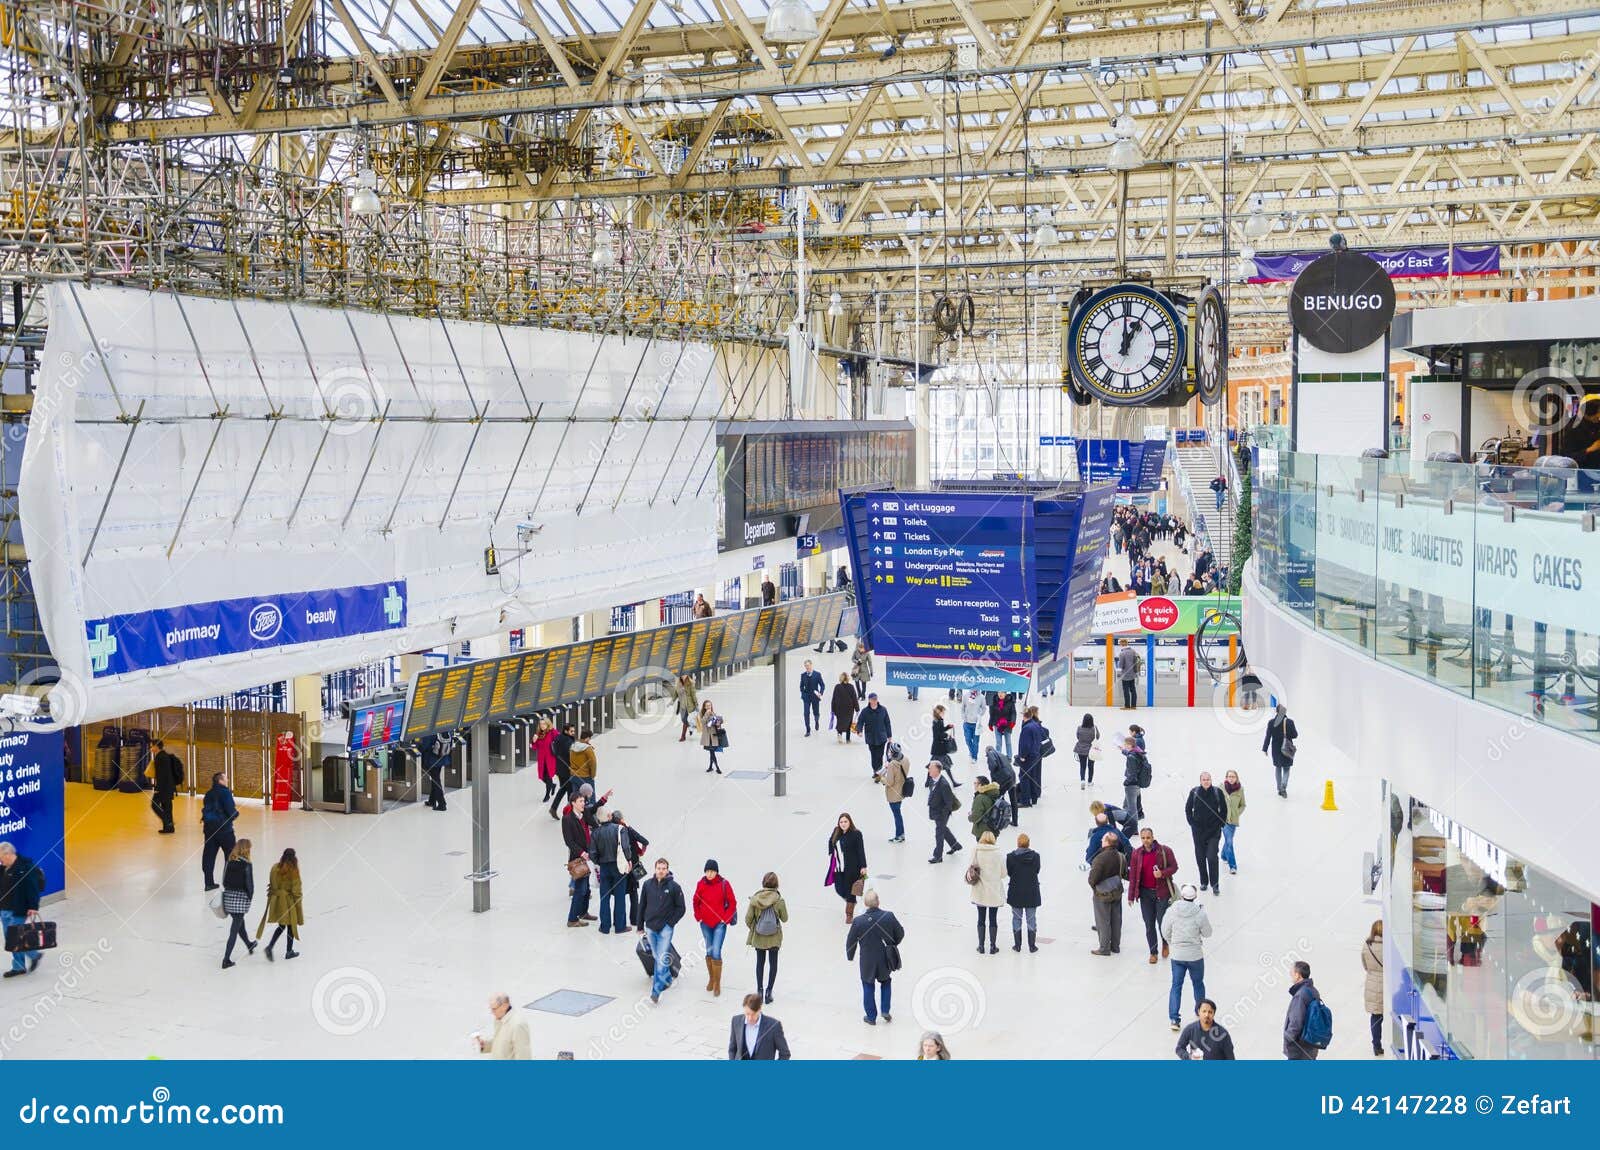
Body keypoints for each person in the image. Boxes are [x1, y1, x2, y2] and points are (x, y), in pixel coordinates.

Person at [844, 889, 905, 1026]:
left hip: (867, 960)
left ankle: (871, 1017)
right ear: (878, 901)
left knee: (868, 985)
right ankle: (885, 1009)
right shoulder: (889, 916)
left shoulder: (859, 921)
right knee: (886, 982)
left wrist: (850, 955)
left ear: (865, 903)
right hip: (885, 957)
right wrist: (893, 943)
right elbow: (900, 933)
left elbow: (851, 940)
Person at [1161, 883, 1214, 1030]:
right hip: (1195, 956)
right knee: (1198, 984)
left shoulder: (1172, 911)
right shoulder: (1199, 913)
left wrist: (1173, 943)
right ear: (1194, 897)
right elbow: (1208, 933)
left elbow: (1165, 931)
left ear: (1182, 896)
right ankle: (1202, 1015)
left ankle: (1174, 1019)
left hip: (1177, 955)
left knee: (1176, 986)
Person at [635, 858, 687, 1004]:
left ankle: (656, 991)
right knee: (658, 957)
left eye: (664, 868)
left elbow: (681, 908)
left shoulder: (674, 887)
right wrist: (640, 927)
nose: (661, 871)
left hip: (665, 929)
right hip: (650, 928)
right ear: (655, 869)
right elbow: (642, 906)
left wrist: (670, 923)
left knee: (661, 959)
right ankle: (668, 978)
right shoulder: (647, 885)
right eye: (659, 868)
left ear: (667, 870)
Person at [1128, 826, 1179, 964]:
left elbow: (1174, 867)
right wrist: (1131, 895)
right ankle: (1153, 952)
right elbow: (1133, 875)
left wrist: (1162, 873)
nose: (1146, 840)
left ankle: (1165, 943)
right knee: (1149, 924)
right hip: (1145, 894)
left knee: (1162, 922)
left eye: (1148, 837)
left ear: (1153, 837)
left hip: (1162, 893)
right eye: (1143, 838)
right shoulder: (1137, 854)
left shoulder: (1165, 851)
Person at [591, 809, 646, 935]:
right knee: (620, 896)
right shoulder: (620, 829)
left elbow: (592, 853)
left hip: (604, 867)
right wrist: (628, 860)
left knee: (604, 897)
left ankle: (604, 926)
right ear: (609, 816)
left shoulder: (596, 832)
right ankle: (620, 926)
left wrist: (600, 862)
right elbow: (626, 847)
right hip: (619, 867)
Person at [693, 860, 738, 998]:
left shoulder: (724, 884)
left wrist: (725, 918)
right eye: (707, 871)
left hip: (719, 923)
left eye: (712, 871)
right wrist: (698, 916)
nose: (709, 874)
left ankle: (717, 983)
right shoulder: (701, 884)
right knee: (709, 950)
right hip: (705, 923)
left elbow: (732, 902)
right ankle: (711, 979)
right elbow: (695, 901)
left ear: (716, 871)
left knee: (716, 951)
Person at [0, 842, 43, 978]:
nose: (0, 860)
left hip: (18, 909)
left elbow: (33, 888)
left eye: (1, 857)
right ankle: (19, 967)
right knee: (10, 939)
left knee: (14, 938)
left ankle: (34, 955)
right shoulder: (3, 868)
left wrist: (33, 907)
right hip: (4, 909)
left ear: (8, 854)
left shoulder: (25, 867)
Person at [1184, 771, 1229, 896]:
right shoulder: (1194, 792)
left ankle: (1215, 884)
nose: (1206, 781)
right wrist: (1191, 823)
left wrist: (1221, 824)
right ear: (1200, 781)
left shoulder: (1217, 792)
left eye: (1208, 779)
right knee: (1200, 857)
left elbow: (1224, 810)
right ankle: (1204, 881)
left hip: (1214, 831)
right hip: (1198, 831)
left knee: (1212, 856)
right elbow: (1188, 809)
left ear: (1211, 780)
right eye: (1204, 779)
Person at [745, 871, 787, 1004]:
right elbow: (785, 918)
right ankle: (769, 992)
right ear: (777, 885)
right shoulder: (779, 900)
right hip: (774, 938)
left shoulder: (755, 899)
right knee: (773, 963)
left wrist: (756, 926)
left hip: (759, 937)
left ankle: (759, 990)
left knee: (760, 963)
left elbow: (747, 919)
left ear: (763, 883)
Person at [1087, 831, 1127, 956]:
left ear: (1108, 842)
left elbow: (1093, 879)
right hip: (1117, 891)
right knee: (1116, 919)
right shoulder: (1121, 856)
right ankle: (1116, 946)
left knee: (1103, 921)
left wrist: (1094, 887)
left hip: (1102, 894)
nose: (1101, 840)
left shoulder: (1099, 858)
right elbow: (1124, 873)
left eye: (1103, 839)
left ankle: (1104, 948)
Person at [259, 847, 303, 961]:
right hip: (288, 902)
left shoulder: (274, 868)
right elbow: (296, 891)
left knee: (282, 925)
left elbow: (272, 884)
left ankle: (270, 946)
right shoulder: (293, 871)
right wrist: (298, 904)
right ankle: (288, 951)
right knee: (291, 926)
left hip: (278, 901)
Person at [220, 839, 256, 969]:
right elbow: (250, 885)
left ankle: (249, 945)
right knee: (234, 930)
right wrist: (249, 898)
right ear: (246, 849)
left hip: (228, 899)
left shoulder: (229, 862)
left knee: (239, 923)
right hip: (240, 899)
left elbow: (224, 881)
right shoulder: (247, 865)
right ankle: (226, 959)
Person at [201, 772, 238, 892]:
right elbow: (230, 810)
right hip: (224, 830)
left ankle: (208, 883)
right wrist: (236, 814)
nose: (228, 779)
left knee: (209, 856)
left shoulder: (208, 793)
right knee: (230, 855)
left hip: (209, 829)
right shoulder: (225, 793)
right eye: (226, 777)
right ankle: (229, 883)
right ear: (220, 781)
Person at [969, 829, 1005, 955]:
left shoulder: (976, 850)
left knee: (981, 918)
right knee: (993, 919)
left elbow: (971, 867)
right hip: (994, 891)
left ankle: (981, 946)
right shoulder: (998, 853)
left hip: (980, 890)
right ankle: (993, 946)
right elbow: (1003, 873)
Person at [828, 813, 868, 923]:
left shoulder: (856, 834)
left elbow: (861, 850)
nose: (843, 824)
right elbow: (830, 842)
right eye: (841, 822)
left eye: (845, 821)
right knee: (839, 888)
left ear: (850, 822)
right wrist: (832, 853)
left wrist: (863, 866)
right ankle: (851, 901)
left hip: (852, 867)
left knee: (850, 891)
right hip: (838, 867)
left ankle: (849, 914)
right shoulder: (837, 832)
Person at [1006, 832, 1042, 954]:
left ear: (1018, 843)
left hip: (1016, 892)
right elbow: (1037, 870)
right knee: (1031, 918)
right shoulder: (1036, 856)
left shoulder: (1010, 857)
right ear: (1028, 844)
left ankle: (1017, 945)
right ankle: (1032, 945)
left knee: (1016, 918)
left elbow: (1009, 872)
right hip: (1031, 892)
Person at [562, 791, 594, 927]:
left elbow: (595, 825)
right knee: (580, 889)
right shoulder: (567, 819)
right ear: (573, 803)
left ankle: (583, 912)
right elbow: (569, 841)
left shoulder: (585, 814)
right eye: (580, 801)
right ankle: (572, 919)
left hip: (588, 856)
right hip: (578, 859)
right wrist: (582, 853)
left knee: (586, 889)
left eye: (583, 801)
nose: (583, 803)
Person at [729, 992, 790, 1059]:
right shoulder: (736, 1021)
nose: (750, 1018)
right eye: (747, 1014)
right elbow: (732, 1048)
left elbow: (785, 1053)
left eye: (753, 1014)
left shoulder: (774, 1026)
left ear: (759, 1009)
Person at [1284, 960, 1325, 1060]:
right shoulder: (1313, 990)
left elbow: (1296, 1022)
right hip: (1311, 1044)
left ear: (1298, 975)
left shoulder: (1300, 995)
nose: (1290, 974)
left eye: (1292, 972)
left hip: (1299, 1047)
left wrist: (1288, 1037)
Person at [925, 760, 963, 864]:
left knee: (939, 834)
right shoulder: (932, 780)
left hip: (942, 813)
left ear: (937, 770)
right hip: (936, 811)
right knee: (943, 830)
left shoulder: (944, 784)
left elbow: (949, 803)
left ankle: (938, 856)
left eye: (931, 768)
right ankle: (955, 845)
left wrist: (943, 814)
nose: (928, 770)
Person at [476, 993, 532, 1060]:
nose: (492, 1012)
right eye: (491, 1009)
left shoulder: (518, 1025)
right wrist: (485, 1045)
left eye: (494, 1009)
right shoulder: (500, 1020)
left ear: (505, 1006)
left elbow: (524, 1056)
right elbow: (503, 1043)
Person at [1014, 705, 1047, 810]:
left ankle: (1025, 801)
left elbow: (1025, 745)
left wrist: (1022, 756)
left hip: (1028, 757)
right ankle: (1034, 798)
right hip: (1036, 755)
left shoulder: (1027, 728)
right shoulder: (1036, 725)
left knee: (1024, 778)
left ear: (1024, 716)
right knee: (1032, 777)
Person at [1263, 704, 1299, 797]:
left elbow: (1268, 736)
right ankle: (1283, 787)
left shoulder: (1271, 722)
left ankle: (1279, 788)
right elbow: (1295, 735)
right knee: (1286, 768)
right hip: (1287, 748)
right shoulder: (1290, 722)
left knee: (1278, 767)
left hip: (1275, 749)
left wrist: (1265, 748)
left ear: (1277, 711)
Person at [1362, 920, 1386, 1056]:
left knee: (1375, 1017)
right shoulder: (1388, 946)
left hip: (1372, 984)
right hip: (1387, 983)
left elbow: (1365, 965)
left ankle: (1377, 1046)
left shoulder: (1367, 945)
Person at [150, 737, 183, 833]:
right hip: (169, 786)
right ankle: (169, 828)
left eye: (152, 746)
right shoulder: (165, 756)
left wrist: (157, 788)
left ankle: (168, 822)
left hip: (163, 787)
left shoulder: (160, 758)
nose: (150, 749)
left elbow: (162, 775)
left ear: (156, 746)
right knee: (167, 807)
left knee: (154, 805)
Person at [856, 692, 892, 778]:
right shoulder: (865, 711)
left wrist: (889, 736)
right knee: (873, 755)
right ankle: (875, 770)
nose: (874, 701)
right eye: (872, 699)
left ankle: (878, 772)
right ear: (869, 700)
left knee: (880, 755)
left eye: (875, 699)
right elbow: (860, 721)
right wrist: (859, 730)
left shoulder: (883, 710)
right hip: (871, 737)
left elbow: (887, 723)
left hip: (881, 737)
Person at [880, 741, 909, 843]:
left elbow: (889, 782)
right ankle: (901, 834)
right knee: (898, 813)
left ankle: (899, 835)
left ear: (892, 752)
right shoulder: (905, 759)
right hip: (901, 791)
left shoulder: (892, 764)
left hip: (893, 794)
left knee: (897, 815)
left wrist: (882, 778)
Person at [547, 722, 576, 819]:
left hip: (559, 769)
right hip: (567, 769)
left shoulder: (558, 738)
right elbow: (571, 755)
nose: (573, 733)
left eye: (573, 731)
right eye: (571, 731)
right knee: (570, 790)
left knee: (563, 788)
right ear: (566, 731)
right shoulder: (568, 741)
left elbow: (553, 751)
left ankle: (553, 808)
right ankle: (570, 814)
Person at [1120, 735, 1148, 833]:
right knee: (1126, 806)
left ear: (1129, 745)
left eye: (1125, 744)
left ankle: (1134, 828)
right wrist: (1123, 750)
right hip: (1137, 784)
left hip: (1131, 784)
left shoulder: (1132, 757)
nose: (1124, 745)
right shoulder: (1138, 752)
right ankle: (1129, 825)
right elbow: (1130, 754)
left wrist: (1126, 782)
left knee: (1132, 808)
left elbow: (1132, 773)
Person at [1221, 769, 1245, 876]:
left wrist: (1236, 813)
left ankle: (1223, 855)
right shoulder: (1220, 788)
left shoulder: (1240, 790)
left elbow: (1243, 805)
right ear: (1226, 778)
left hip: (1233, 821)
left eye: (1233, 777)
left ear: (1236, 778)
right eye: (1229, 776)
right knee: (1230, 841)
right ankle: (1233, 866)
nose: (1231, 778)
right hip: (1223, 820)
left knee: (1228, 841)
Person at [929, 704, 960, 785]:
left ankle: (928, 781)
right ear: (939, 712)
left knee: (933, 764)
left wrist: (947, 727)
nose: (944, 713)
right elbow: (937, 735)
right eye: (943, 712)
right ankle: (953, 782)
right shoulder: (936, 722)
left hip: (939, 748)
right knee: (945, 766)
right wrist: (946, 735)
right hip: (939, 748)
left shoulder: (939, 721)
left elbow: (941, 730)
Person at [967, 775, 1001, 841]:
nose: (974, 785)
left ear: (980, 785)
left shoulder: (980, 798)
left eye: (975, 783)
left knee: (983, 850)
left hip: (983, 832)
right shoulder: (993, 794)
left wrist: (970, 816)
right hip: (993, 829)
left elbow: (976, 816)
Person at [533, 718, 558, 803]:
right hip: (541, 759)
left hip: (550, 759)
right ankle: (552, 785)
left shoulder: (552, 732)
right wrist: (534, 741)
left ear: (548, 724)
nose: (542, 726)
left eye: (544, 724)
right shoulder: (538, 734)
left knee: (548, 776)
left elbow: (559, 740)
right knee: (542, 777)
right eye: (540, 724)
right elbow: (534, 747)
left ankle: (547, 795)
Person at [1073, 713, 1100, 790]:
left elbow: (1078, 737)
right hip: (1092, 749)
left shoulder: (1079, 728)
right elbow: (1097, 737)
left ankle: (1082, 780)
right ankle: (1090, 781)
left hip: (1081, 749)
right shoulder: (1094, 728)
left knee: (1082, 765)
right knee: (1091, 766)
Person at [799, 659, 825, 737]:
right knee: (806, 713)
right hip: (806, 697)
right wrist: (803, 693)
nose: (807, 667)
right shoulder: (803, 675)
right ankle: (808, 730)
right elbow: (801, 686)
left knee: (816, 712)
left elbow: (822, 685)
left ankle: (816, 721)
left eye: (808, 665)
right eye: (806, 666)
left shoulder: (817, 674)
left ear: (811, 665)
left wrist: (820, 693)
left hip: (815, 696)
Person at [830, 673, 859, 743]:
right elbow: (854, 698)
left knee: (840, 722)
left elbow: (834, 699)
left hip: (839, 709)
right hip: (849, 709)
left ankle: (839, 735)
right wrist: (857, 708)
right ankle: (848, 739)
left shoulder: (837, 687)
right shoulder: (851, 687)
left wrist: (833, 709)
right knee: (849, 723)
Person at [697, 699, 724, 774]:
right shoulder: (702, 713)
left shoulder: (713, 713)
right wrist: (706, 714)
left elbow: (717, 723)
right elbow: (702, 722)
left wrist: (718, 722)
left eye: (710, 705)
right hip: (707, 737)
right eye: (707, 706)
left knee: (712, 752)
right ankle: (717, 768)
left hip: (713, 736)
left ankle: (711, 767)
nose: (709, 707)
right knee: (712, 752)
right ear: (704, 707)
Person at [987, 692, 1016, 757]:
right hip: (997, 724)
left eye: (1002, 692)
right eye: (999, 692)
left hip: (1007, 724)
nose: (1000, 694)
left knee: (1008, 742)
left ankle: (1009, 756)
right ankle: (998, 756)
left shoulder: (1010, 702)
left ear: (1005, 693)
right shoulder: (994, 701)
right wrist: (990, 723)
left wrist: (1013, 722)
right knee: (998, 742)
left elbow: (1013, 713)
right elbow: (992, 714)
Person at [568, 728, 597, 794]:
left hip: (574, 776)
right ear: (587, 738)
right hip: (585, 777)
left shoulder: (573, 746)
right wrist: (592, 775)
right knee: (590, 799)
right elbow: (593, 763)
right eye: (590, 738)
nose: (590, 740)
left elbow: (570, 760)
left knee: (577, 798)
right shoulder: (588, 749)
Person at [959, 689, 985, 763]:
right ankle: (972, 751)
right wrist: (964, 716)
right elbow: (962, 707)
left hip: (976, 724)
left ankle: (974, 757)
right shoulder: (966, 696)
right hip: (967, 723)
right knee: (967, 740)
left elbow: (984, 708)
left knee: (976, 742)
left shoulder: (981, 697)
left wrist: (979, 715)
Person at [1115, 640, 1140, 710]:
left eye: (1120, 644)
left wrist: (1119, 664)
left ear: (1123, 644)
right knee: (1133, 690)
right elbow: (1136, 661)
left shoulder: (1122, 653)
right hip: (1133, 674)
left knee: (1126, 690)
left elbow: (1121, 665)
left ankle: (1127, 706)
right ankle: (1134, 706)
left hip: (1125, 675)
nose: (1120, 645)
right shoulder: (1133, 651)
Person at [675, 674, 698, 743]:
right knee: (683, 720)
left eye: (685, 675)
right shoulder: (678, 684)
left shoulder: (691, 684)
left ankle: (683, 736)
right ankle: (691, 727)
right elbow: (675, 693)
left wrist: (696, 704)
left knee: (687, 719)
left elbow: (693, 695)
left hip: (690, 705)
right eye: (682, 675)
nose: (683, 676)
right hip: (682, 705)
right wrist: (672, 701)